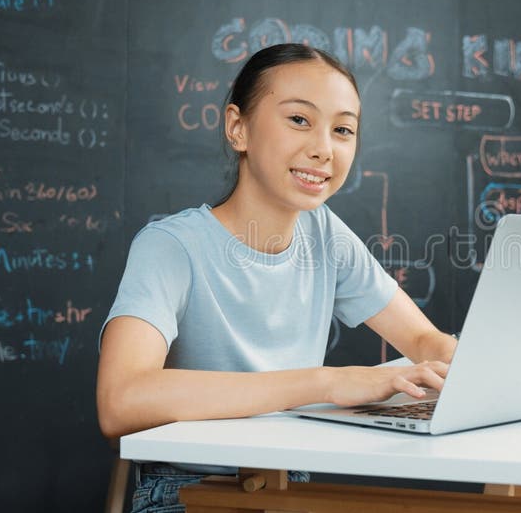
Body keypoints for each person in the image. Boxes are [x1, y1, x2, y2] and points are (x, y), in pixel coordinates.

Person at [96, 43, 456, 512]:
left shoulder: (324, 232)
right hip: (191, 493)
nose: (323, 149)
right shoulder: (171, 246)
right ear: (238, 128)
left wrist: (490, 372)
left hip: (293, 487)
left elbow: (424, 339)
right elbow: (121, 402)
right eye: (299, 120)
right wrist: (325, 383)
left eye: (342, 129)